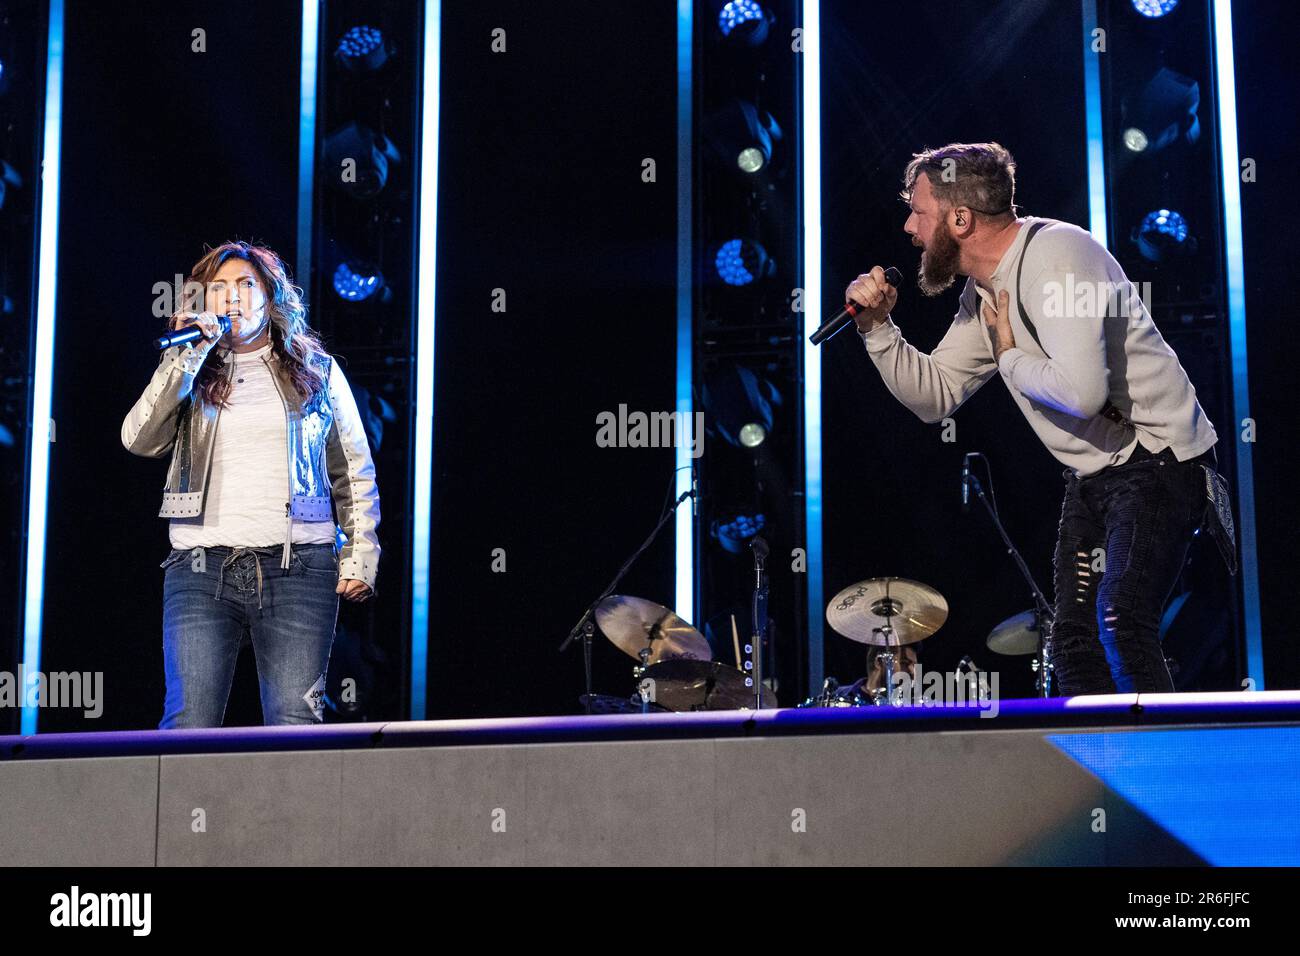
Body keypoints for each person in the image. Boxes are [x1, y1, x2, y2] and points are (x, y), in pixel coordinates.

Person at [845, 142, 1223, 695]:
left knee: (1119, 619)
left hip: (1159, 460)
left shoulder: (1059, 256)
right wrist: (877, 330)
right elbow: (935, 396)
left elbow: (1082, 393)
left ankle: (1163, 770)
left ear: (959, 218)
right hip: (1096, 477)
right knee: (1072, 641)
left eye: (918, 210)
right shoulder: (985, 290)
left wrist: (1008, 356)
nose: (908, 226)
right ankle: (1100, 771)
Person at [122, 241, 381, 727]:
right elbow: (138, 440)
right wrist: (185, 361)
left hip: (298, 566)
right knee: (188, 720)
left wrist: (360, 556)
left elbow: (353, 469)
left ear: (271, 296)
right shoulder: (190, 370)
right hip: (200, 566)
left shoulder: (317, 370)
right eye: (218, 288)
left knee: (293, 720)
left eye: (246, 284)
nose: (233, 297)